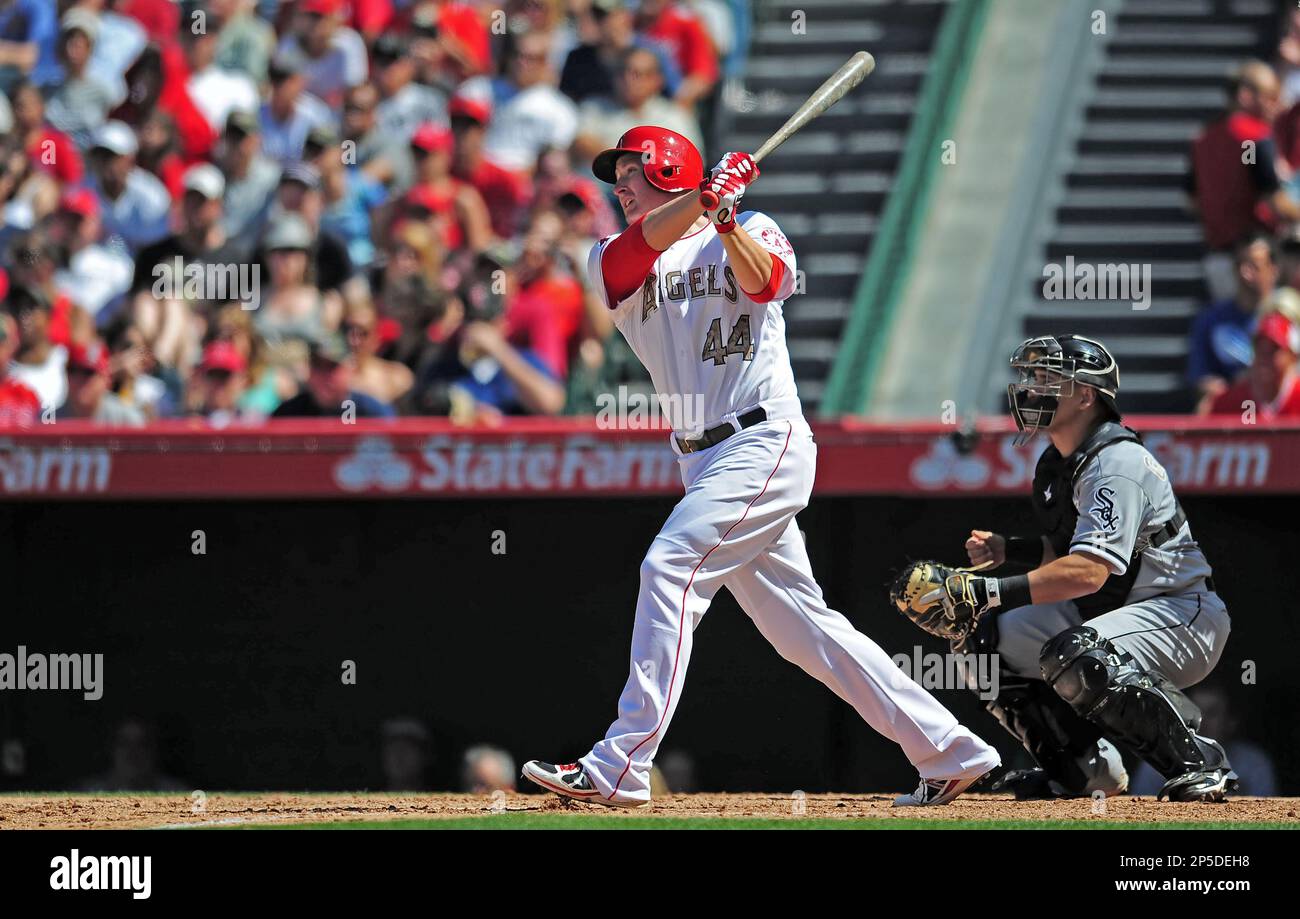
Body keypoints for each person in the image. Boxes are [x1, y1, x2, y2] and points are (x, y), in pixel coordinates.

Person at [520, 126, 1000, 808]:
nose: (618, 187)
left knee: (669, 565)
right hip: (702, 458)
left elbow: (769, 282)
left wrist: (723, 217)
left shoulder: (753, 227)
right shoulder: (608, 256)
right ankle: (950, 748)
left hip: (762, 439)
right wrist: (704, 201)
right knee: (803, 632)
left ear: (667, 170)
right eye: (617, 176)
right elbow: (638, 253)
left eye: (631, 172)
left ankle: (621, 762)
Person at [915, 335, 1235, 802]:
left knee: (1077, 652)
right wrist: (1011, 550)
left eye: (1047, 380)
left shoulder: (1117, 463)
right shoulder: (1059, 462)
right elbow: (1067, 550)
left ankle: (1200, 763)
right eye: (1030, 378)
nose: (1030, 390)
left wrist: (989, 589)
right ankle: (1083, 772)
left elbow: (1088, 572)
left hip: (1180, 612)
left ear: (1086, 395)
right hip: (1114, 610)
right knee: (983, 641)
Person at [1188, 61, 1298, 301]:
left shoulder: (1202, 140)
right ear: (1246, 96)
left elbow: (1192, 201)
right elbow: (1273, 200)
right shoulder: (1253, 138)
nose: (1275, 105)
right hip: (1258, 259)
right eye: (1270, 96)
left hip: (1217, 259)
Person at [1186, 232, 1277, 411]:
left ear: (1273, 270)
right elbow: (1200, 376)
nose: (1244, 274)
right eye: (1239, 265)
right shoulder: (1212, 320)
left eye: (1254, 266)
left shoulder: (1288, 316)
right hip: (1232, 406)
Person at [271, 332, 395, 418]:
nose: (324, 377)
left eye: (332, 367)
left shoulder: (372, 413)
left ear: (351, 368)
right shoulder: (289, 414)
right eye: (318, 367)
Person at [1206, 311, 1300, 418]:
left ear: (1293, 356)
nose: (1264, 357)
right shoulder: (1227, 402)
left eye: (1273, 350)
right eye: (1259, 348)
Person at [59, 338, 146, 425]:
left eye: (88, 372)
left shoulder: (127, 420)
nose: (78, 378)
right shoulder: (52, 421)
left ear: (106, 379)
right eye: (72, 370)